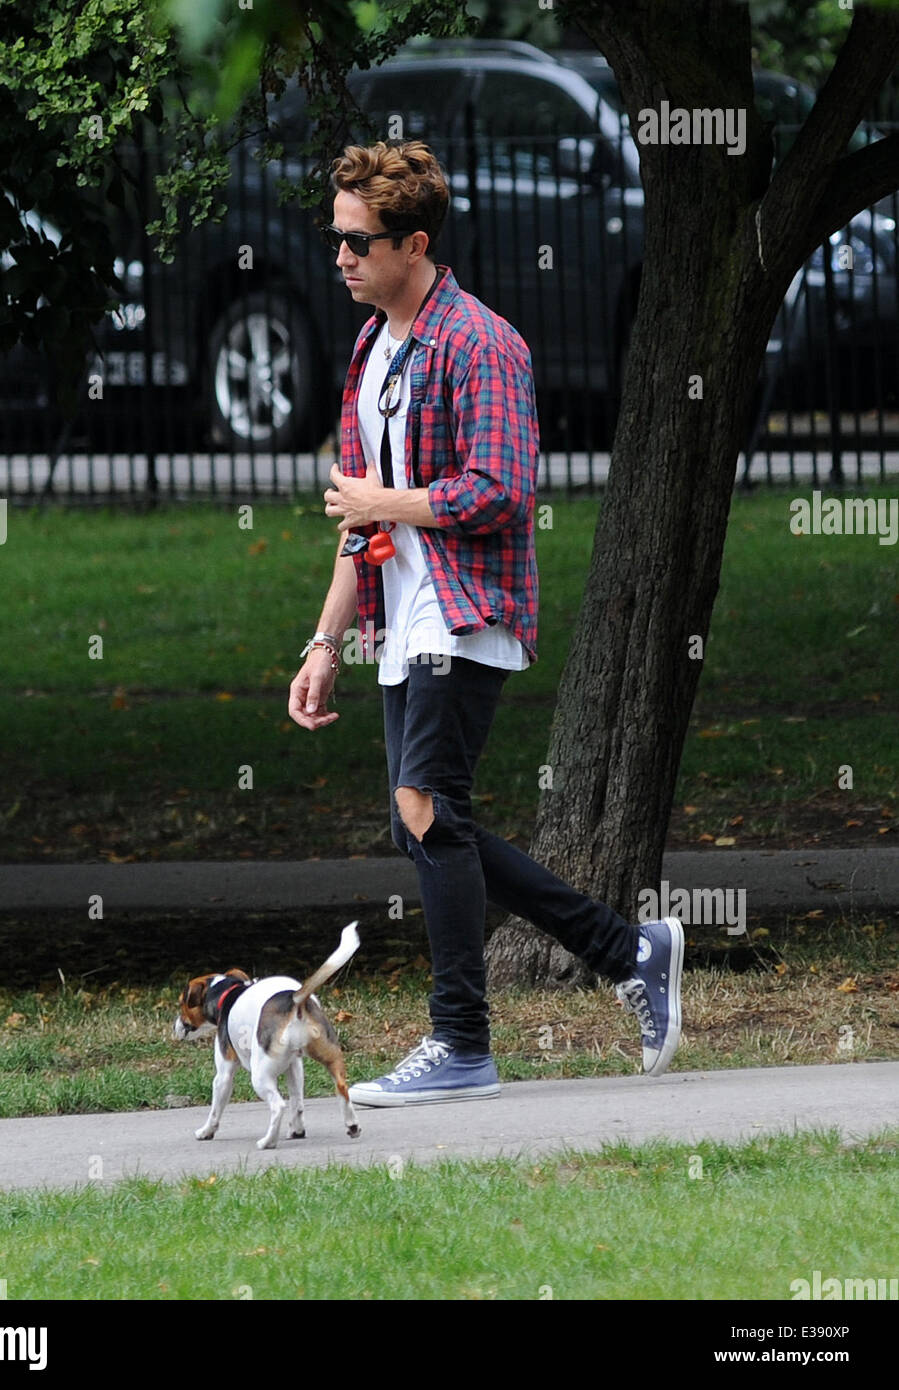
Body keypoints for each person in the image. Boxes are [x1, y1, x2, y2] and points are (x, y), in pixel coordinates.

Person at [288, 139, 683, 1106]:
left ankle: (462, 1044)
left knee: (426, 812)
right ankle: (630, 949)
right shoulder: (371, 347)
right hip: (398, 614)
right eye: (333, 238)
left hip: (466, 611)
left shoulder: (480, 341)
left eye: (357, 241)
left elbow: (499, 492)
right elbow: (359, 513)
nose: (338, 258)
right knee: (424, 821)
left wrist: (387, 504)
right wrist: (325, 640)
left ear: (412, 242)